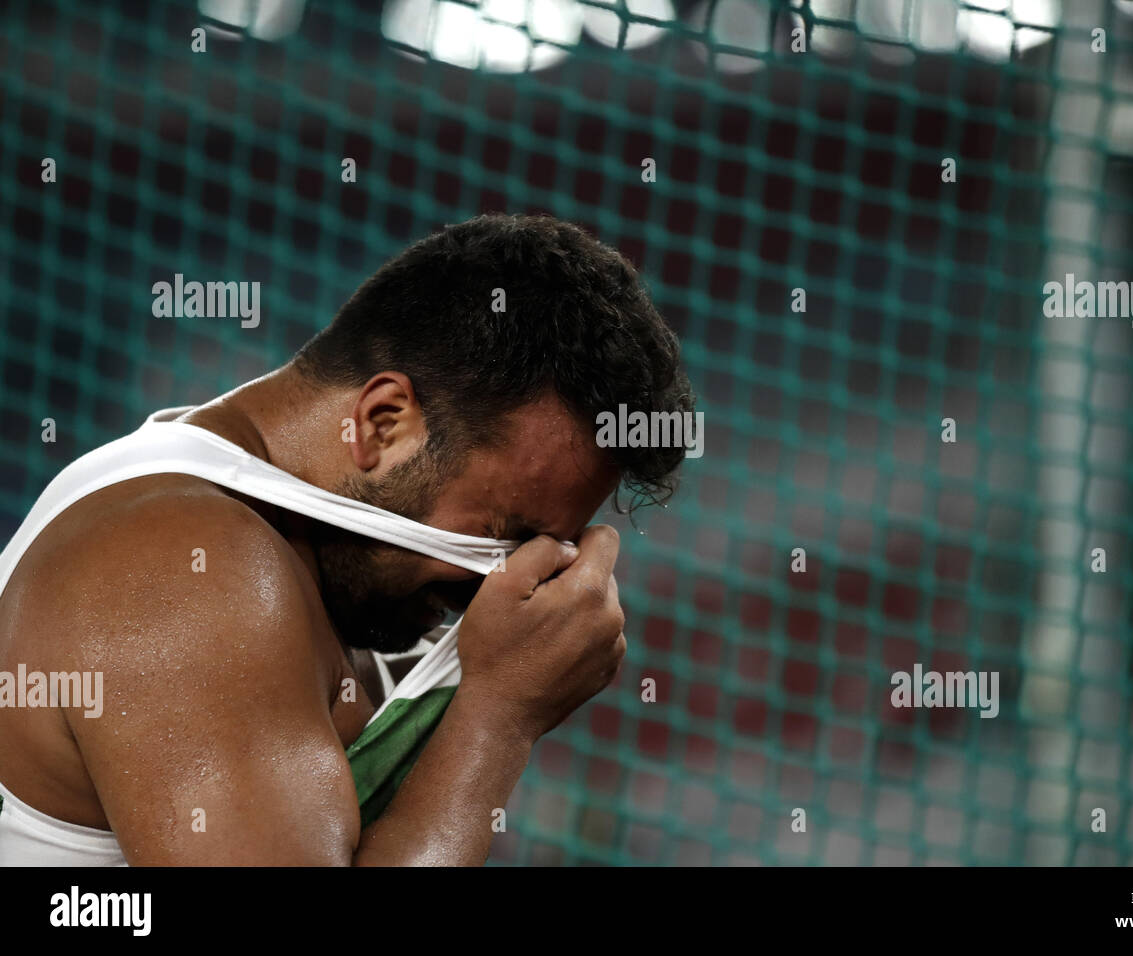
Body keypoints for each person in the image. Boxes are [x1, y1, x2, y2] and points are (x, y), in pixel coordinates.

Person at [0, 213, 694, 865]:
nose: (493, 581)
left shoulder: (295, 547)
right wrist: (500, 715)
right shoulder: (184, 566)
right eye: (500, 535)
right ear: (383, 423)